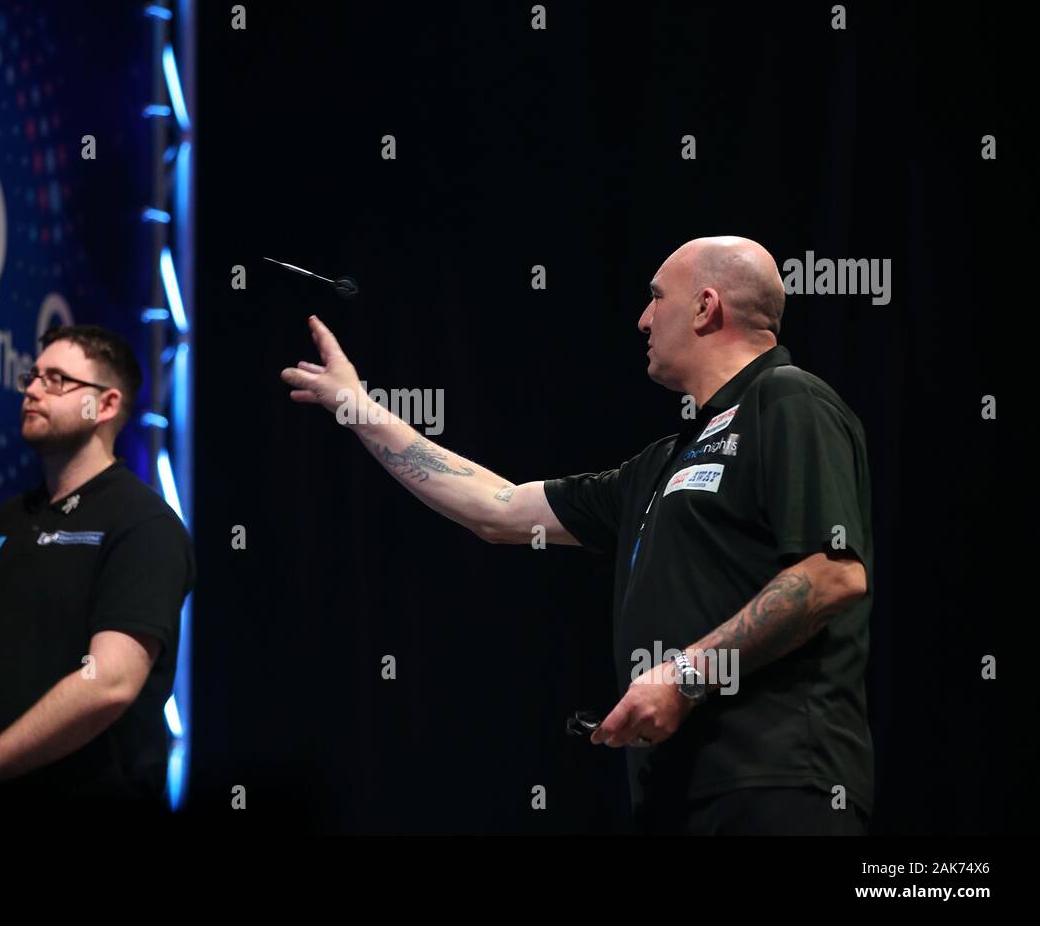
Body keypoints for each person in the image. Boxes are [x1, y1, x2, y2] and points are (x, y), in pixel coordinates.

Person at [280, 236, 874, 835]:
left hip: (776, 785)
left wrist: (684, 675)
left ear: (705, 307)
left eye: (655, 298)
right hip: (676, 794)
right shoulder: (661, 464)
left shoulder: (788, 398)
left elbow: (833, 573)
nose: (642, 319)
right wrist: (357, 407)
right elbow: (498, 508)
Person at [0, 324, 195, 806]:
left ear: (105, 406)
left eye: (57, 380)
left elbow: (110, 682)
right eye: (33, 376)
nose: (33, 389)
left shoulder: (144, 524)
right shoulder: (1, 523)